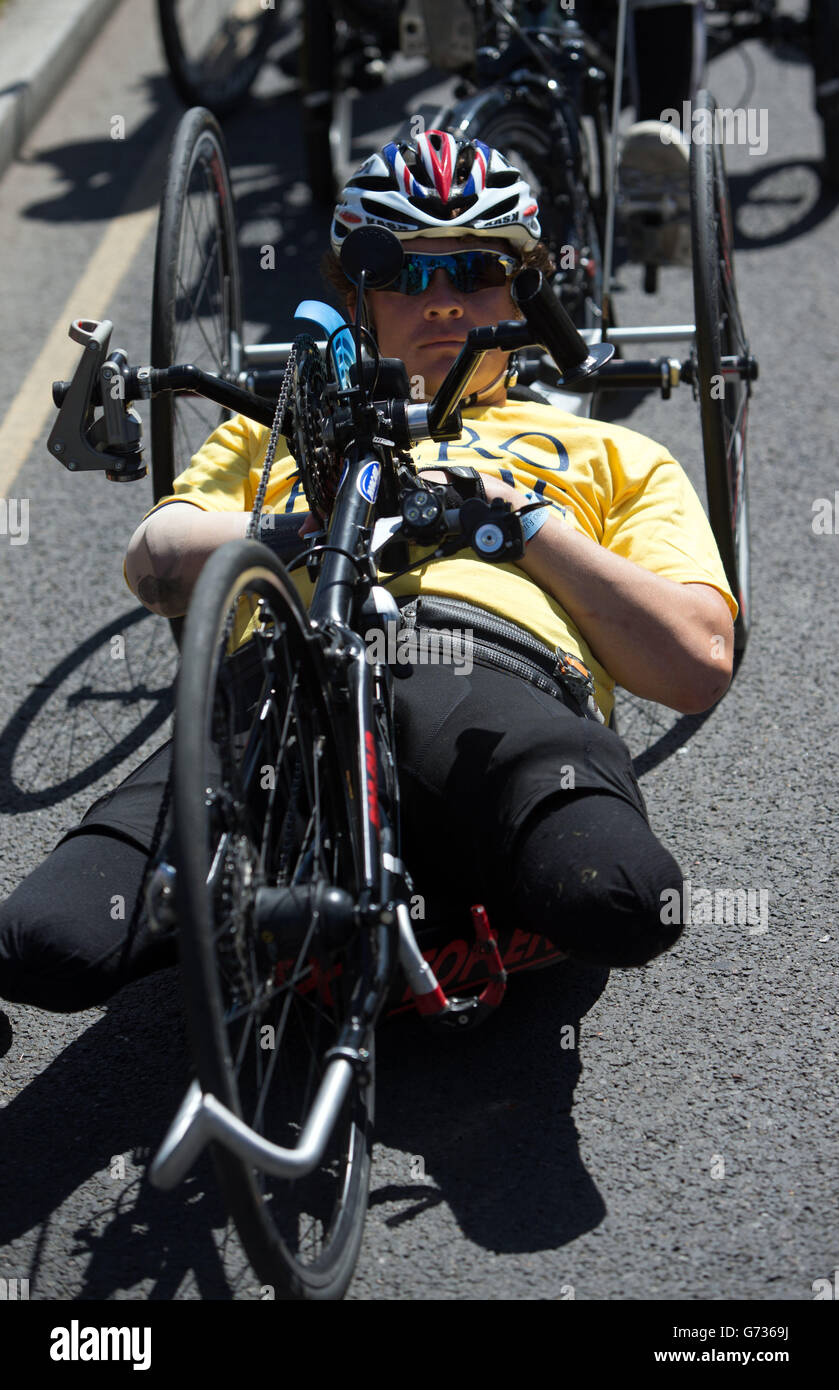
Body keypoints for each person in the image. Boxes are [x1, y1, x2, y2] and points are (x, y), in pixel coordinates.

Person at [0, 130, 736, 1016]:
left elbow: (695, 663)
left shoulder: (615, 453)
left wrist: (520, 518)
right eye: (403, 274)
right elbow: (155, 565)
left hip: (495, 677)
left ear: (526, 292)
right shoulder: (268, 430)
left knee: (619, 895)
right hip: (281, 684)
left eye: (474, 270)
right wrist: (326, 512)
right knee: (47, 941)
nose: (441, 301)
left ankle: (337, 917)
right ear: (358, 296)